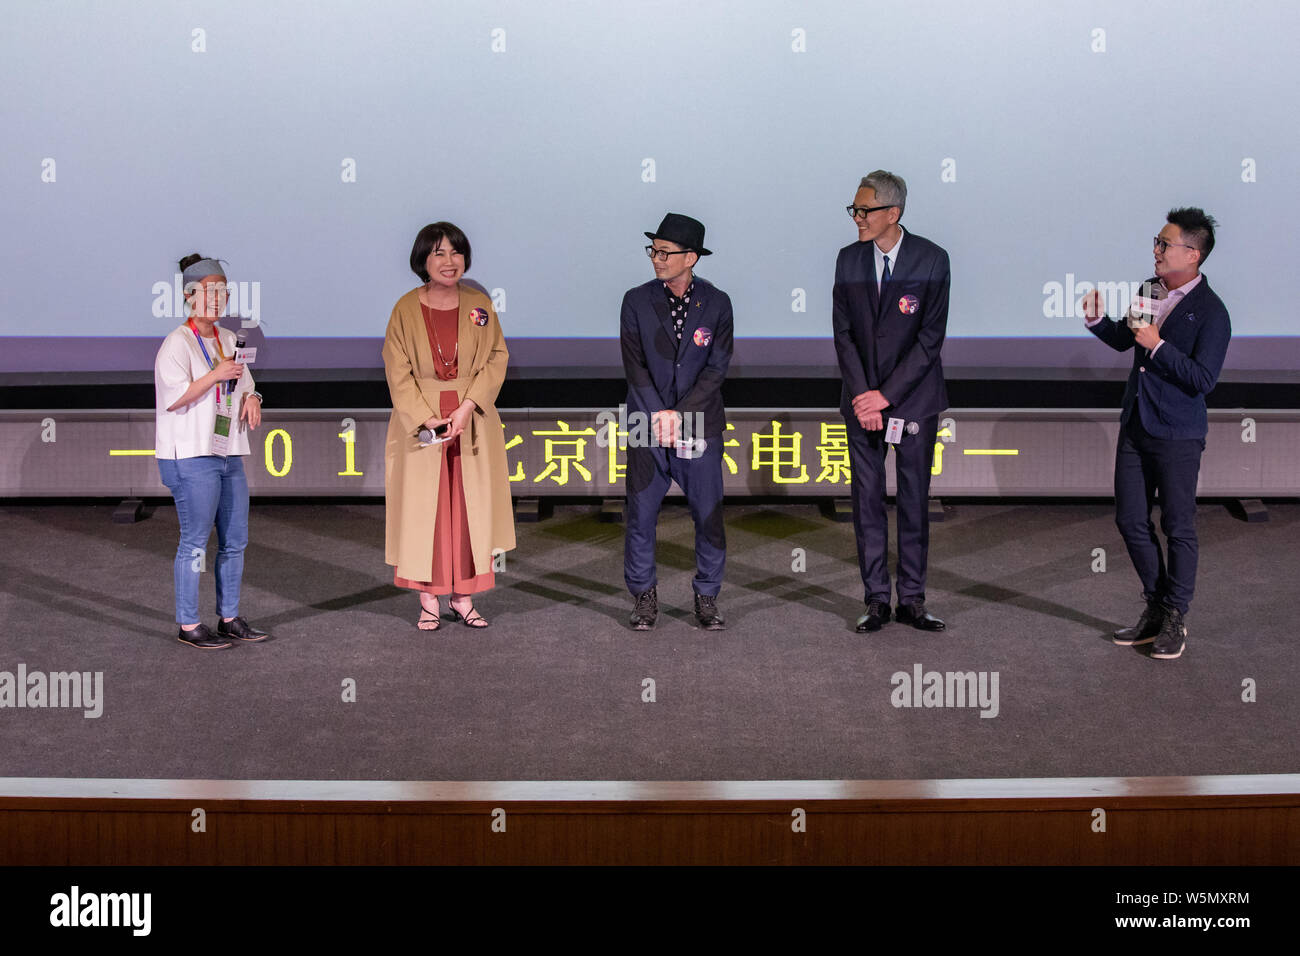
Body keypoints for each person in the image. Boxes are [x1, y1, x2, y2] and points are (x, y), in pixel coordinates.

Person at [1081, 208, 1231, 660]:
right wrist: (1097, 323)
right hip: (1136, 423)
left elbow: (1203, 378)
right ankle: (1156, 606)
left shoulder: (1212, 312)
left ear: (1193, 253)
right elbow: (1130, 340)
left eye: (1165, 244)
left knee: (1179, 526)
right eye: (1156, 241)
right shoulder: (1149, 289)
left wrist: (1159, 346)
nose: (1157, 251)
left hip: (1178, 433)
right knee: (1129, 520)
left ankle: (1175, 616)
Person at [832, 170, 950, 634]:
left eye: (865, 211)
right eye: (854, 210)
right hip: (861, 403)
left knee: (914, 501)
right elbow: (843, 334)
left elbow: (930, 339)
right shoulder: (848, 260)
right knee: (866, 501)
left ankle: (914, 599)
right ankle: (877, 598)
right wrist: (865, 396)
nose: (857, 218)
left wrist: (886, 395)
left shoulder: (932, 259)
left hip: (914, 401)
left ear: (893, 213)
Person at [383, 222, 515, 630]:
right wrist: (428, 418)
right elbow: (397, 368)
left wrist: (467, 406)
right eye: (439, 253)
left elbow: (496, 357)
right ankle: (428, 599)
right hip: (422, 420)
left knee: (470, 508)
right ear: (422, 259)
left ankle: (464, 596)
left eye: (456, 253)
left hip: (471, 418)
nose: (449, 261)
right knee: (428, 511)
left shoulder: (479, 305)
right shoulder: (405, 307)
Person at [620, 213, 734, 631]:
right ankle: (644, 598)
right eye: (653, 250)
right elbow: (635, 367)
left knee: (708, 515)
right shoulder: (636, 300)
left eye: (665, 253)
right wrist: (660, 415)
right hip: (645, 425)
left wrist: (680, 415)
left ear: (691, 258)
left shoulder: (717, 302)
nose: (656, 259)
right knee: (641, 515)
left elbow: (716, 368)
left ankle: (706, 597)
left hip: (699, 425)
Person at [154, 253, 268, 650]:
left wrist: (253, 397)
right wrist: (215, 374)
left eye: (223, 291)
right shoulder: (176, 343)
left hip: (228, 452)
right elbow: (175, 398)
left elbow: (245, 382)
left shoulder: (226, 339)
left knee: (235, 540)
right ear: (189, 295)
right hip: (189, 454)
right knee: (195, 541)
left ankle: (230, 618)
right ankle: (188, 624)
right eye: (210, 291)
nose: (219, 298)